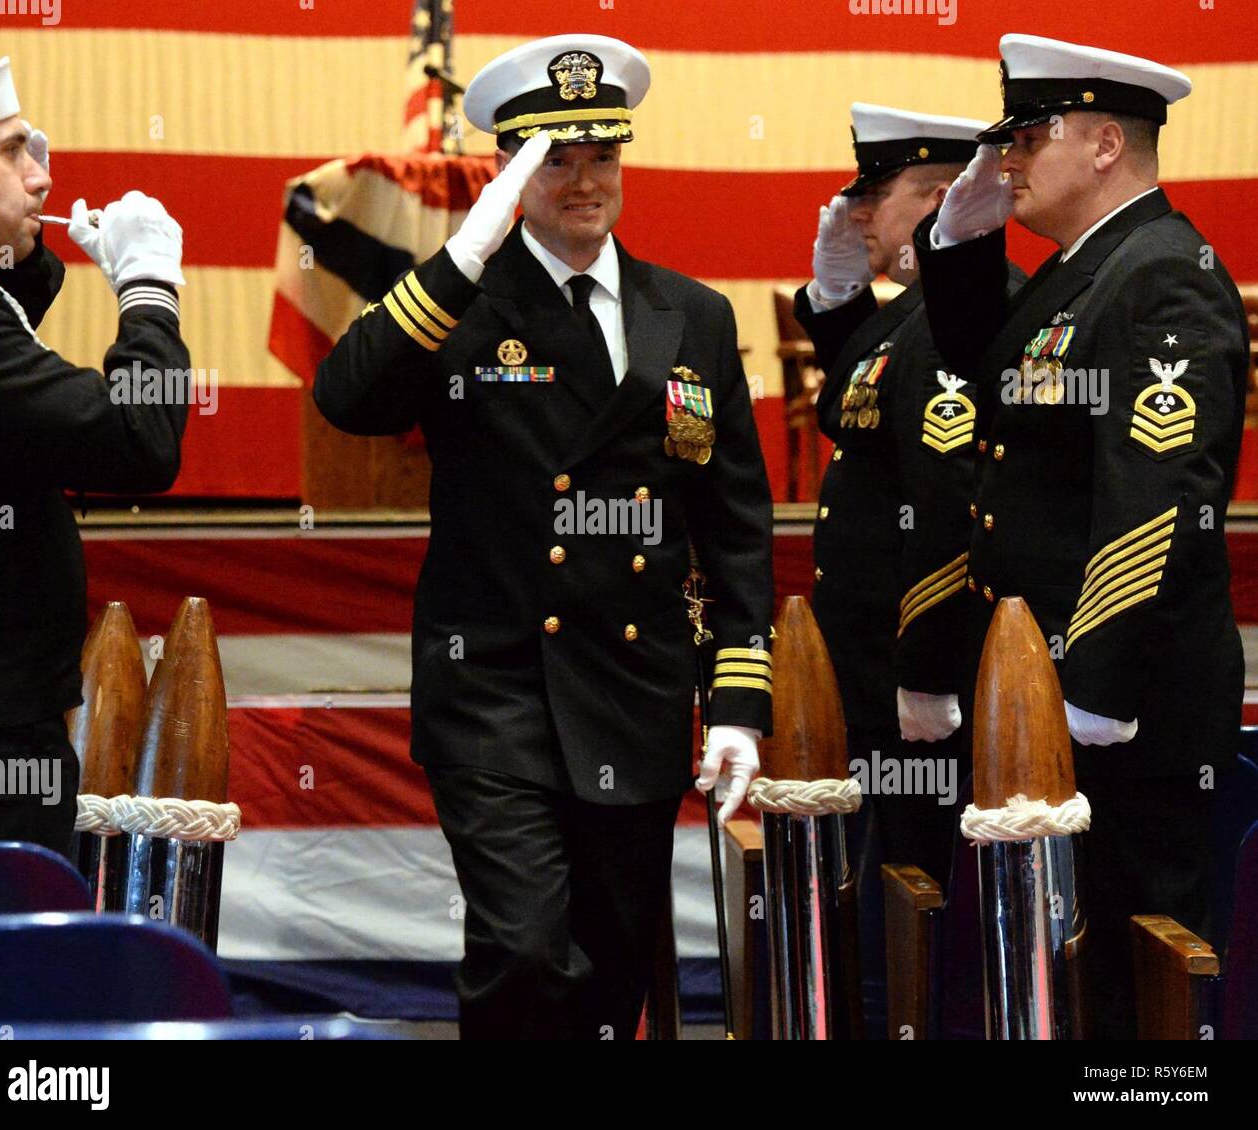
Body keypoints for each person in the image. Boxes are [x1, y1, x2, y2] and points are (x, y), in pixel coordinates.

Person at [314, 34, 774, 1040]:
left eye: (601, 156)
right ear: (510, 169)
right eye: (555, 159)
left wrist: (736, 695)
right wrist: (463, 253)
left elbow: (730, 516)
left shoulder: (688, 314)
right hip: (497, 687)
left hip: (634, 688)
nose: (584, 182)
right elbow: (346, 394)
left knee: (611, 975)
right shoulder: (460, 302)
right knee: (523, 948)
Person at [913, 33, 1249, 1038]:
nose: (1005, 157)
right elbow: (995, 375)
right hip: (1048, 690)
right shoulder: (1087, 268)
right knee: (1068, 969)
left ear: (1105, 141)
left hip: (1124, 707)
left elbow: (1157, 500)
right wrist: (961, 244)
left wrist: (1090, 691)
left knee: (1134, 977)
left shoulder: (1162, 275)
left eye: (1028, 135)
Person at [0, 53, 190, 857]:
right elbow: (139, 441)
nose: (41, 178)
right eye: (12, 151)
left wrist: (18, 241)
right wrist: (150, 289)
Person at [796, 103, 1022, 891]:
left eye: (871, 199)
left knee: (915, 891)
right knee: (884, 889)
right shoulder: (919, 315)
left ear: (934, 201)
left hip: (917, 689)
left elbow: (949, 500)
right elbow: (860, 410)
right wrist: (837, 303)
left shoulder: (959, 318)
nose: (854, 216)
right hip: (874, 673)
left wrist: (924, 670)